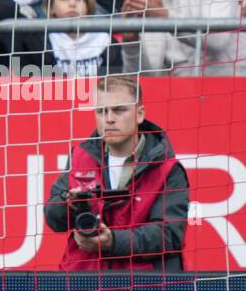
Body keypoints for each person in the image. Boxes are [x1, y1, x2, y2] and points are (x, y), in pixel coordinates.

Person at [44, 75, 188, 271]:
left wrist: (113, 241)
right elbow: (54, 220)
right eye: (102, 111)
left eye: (119, 110)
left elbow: (169, 235)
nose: (109, 118)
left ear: (139, 114)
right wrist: (68, 204)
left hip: (145, 289)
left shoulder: (168, 169)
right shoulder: (80, 156)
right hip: (83, 283)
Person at [12, 0, 122, 77]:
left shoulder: (106, 41)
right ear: (51, 7)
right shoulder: (40, 42)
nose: (72, 3)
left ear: (88, 6)